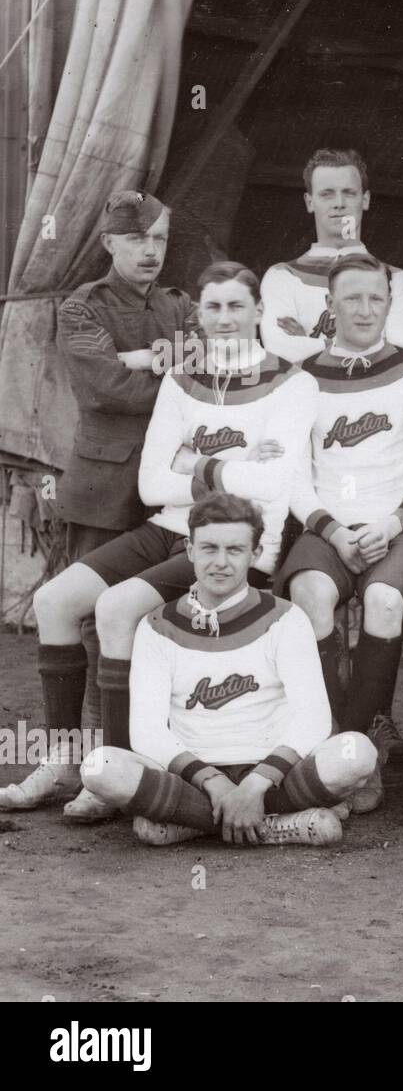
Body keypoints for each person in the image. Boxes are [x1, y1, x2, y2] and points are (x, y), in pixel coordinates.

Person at [1, 263, 314, 822]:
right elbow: (151, 483)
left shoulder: (293, 384)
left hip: (236, 545)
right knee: (54, 602)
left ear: (259, 312)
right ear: (200, 314)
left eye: (236, 306)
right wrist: (236, 463)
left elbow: (271, 487)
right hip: (169, 528)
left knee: (117, 608)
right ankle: (63, 759)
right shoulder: (180, 381)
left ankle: (117, 770)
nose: (224, 319)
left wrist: (193, 461)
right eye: (212, 308)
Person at [78, 492, 375, 847]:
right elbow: (146, 731)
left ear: (255, 554)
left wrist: (254, 785)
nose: (221, 562)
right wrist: (214, 782)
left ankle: (193, 822)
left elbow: (313, 719)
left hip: (272, 776)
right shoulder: (157, 626)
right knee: (98, 767)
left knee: (356, 752)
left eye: (234, 550)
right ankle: (274, 826)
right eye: (209, 548)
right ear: (189, 550)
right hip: (194, 778)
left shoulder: (285, 617)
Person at [52, 190, 194, 819]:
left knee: (152, 620)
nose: (150, 252)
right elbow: (104, 387)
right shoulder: (81, 307)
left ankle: (141, 753)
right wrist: (168, 370)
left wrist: (142, 359)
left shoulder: (179, 306)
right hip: (107, 488)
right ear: (109, 242)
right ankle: (84, 766)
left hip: (168, 495)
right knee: (88, 621)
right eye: (137, 240)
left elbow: (212, 366)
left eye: (159, 239)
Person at [280, 252, 403, 808]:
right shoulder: (303, 380)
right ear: (330, 306)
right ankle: (330, 736)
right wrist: (333, 531)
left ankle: (352, 752)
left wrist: (395, 522)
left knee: (385, 599)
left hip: (400, 524)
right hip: (329, 527)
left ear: (390, 304)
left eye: (375, 297)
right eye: (352, 297)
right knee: (309, 592)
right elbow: (294, 478)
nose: (365, 308)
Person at [259, 148, 403, 363]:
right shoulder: (282, 276)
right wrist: (370, 346)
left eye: (349, 193)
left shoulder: (396, 279)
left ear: (365, 200)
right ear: (310, 202)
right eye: (327, 194)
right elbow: (280, 353)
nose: (339, 203)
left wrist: (308, 343)